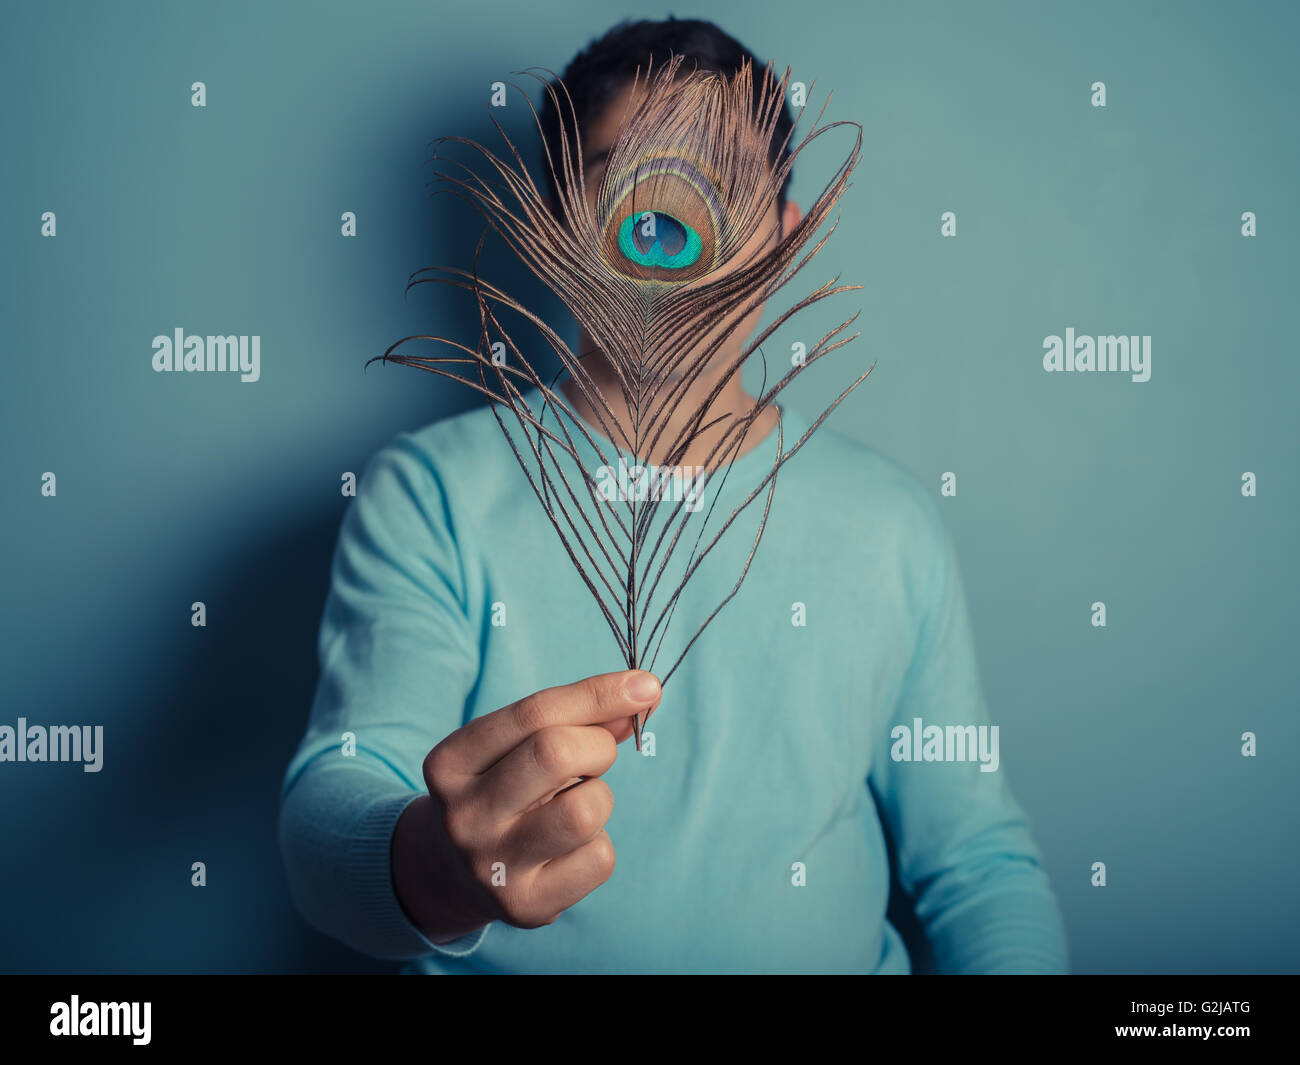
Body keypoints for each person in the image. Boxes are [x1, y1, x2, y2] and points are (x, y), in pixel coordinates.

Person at [277, 16, 1069, 974]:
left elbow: (979, 862)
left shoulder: (891, 524)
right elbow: (337, 794)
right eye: (626, 184)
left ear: (785, 236)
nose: (670, 230)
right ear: (554, 223)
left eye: (718, 181)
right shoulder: (432, 493)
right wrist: (430, 871)